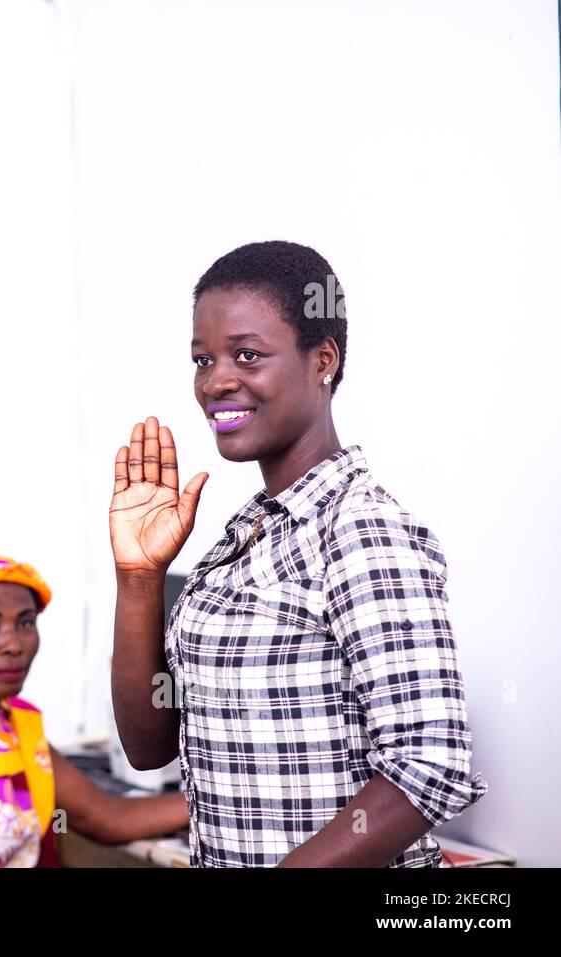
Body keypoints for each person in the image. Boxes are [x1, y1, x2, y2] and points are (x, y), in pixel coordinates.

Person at [108, 240, 486, 867]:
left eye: (247, 355)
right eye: (203, 359)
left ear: (323, 361)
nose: (217, 381)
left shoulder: (361, 530)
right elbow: (149, 747)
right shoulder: (248, 537)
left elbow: (429, 765)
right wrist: (138, 578)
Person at [0, 539, 189, 868]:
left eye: (25, 622)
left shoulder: (16, 729)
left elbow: (105, 817)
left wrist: (221, 799)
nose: (14, 645)